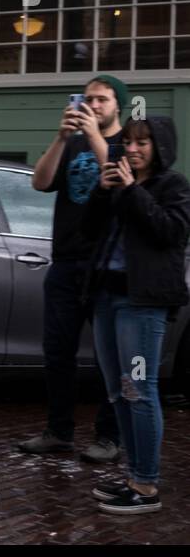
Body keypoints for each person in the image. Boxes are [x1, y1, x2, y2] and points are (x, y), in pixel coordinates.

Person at [82, 115, 189, 514]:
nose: (132, 149)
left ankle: (146, 486)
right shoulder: (118, 183)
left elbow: (170, 232)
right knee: (117, 394)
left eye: (142, 143)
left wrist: (130, 191)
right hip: (107, 300)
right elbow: (89, 233)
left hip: (142, 305)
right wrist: (101, 190)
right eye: (128, 141)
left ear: (159, 147)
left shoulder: (172, 185)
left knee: (138, 391)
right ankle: (134, 475)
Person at [19, 76, 126, 461]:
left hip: (106, 267)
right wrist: (62, 138)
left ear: (118, 105)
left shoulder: (128, 144)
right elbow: (40, 182)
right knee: (57, 353)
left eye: (102, 99)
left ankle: (110, 436)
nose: (93, 105)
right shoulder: (75, 141)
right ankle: (58, 431)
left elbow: (117, 181)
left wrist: (95, 135)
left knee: (107, 356)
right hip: (65, 263)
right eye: (89, 98)